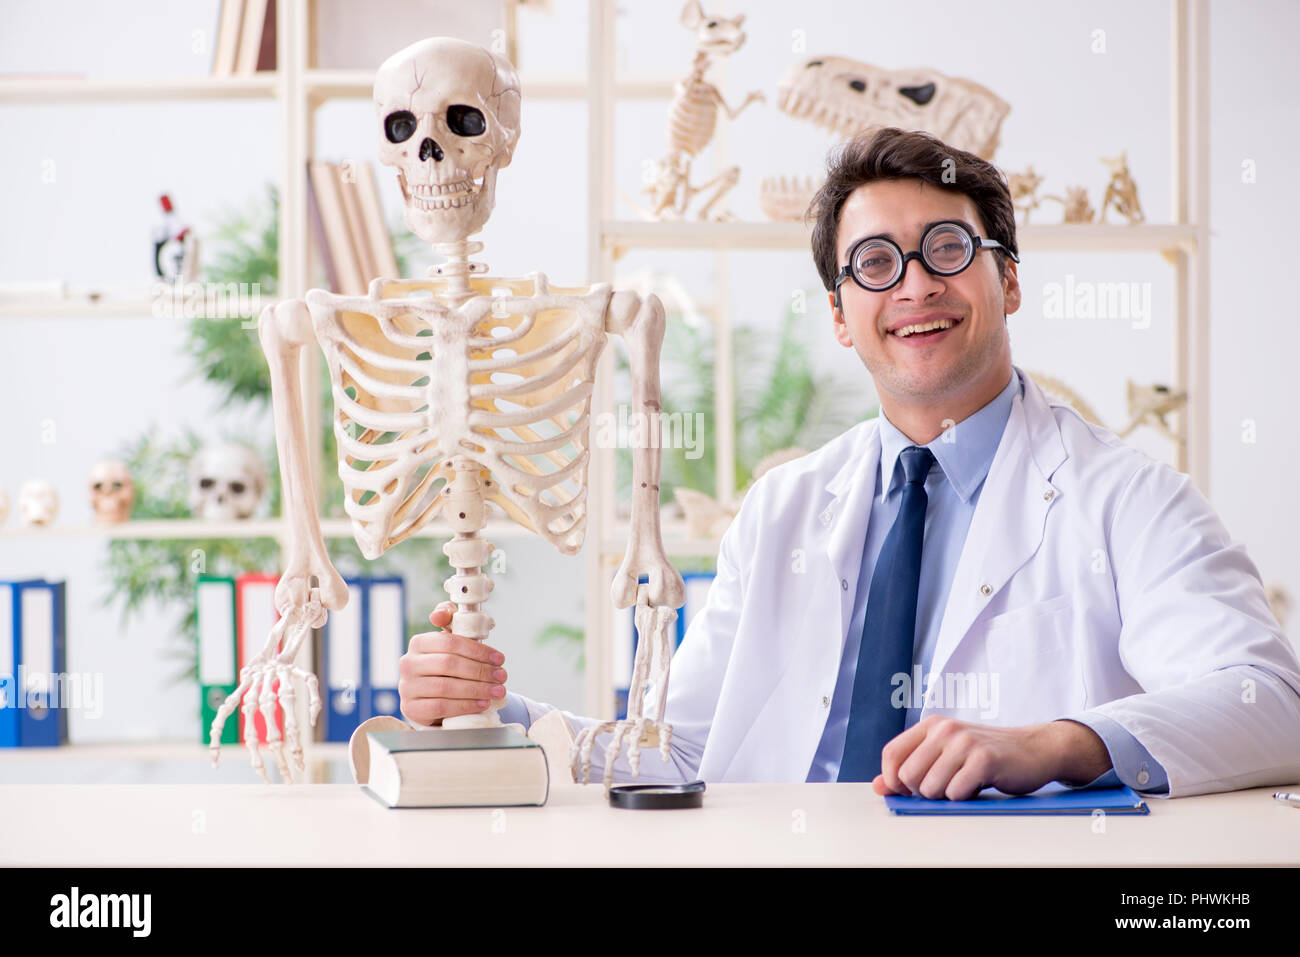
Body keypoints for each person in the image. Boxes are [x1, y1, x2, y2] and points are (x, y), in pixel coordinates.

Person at [397, 127, 1300, 799]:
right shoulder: (784, 506)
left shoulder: (1128, 499)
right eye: (874, 263)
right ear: (839, 315)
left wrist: (1059, 743)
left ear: (1009, 280)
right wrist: (491, 719)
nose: (914, 285)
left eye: (948, 248)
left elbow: (1271, 701)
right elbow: (685, 749)